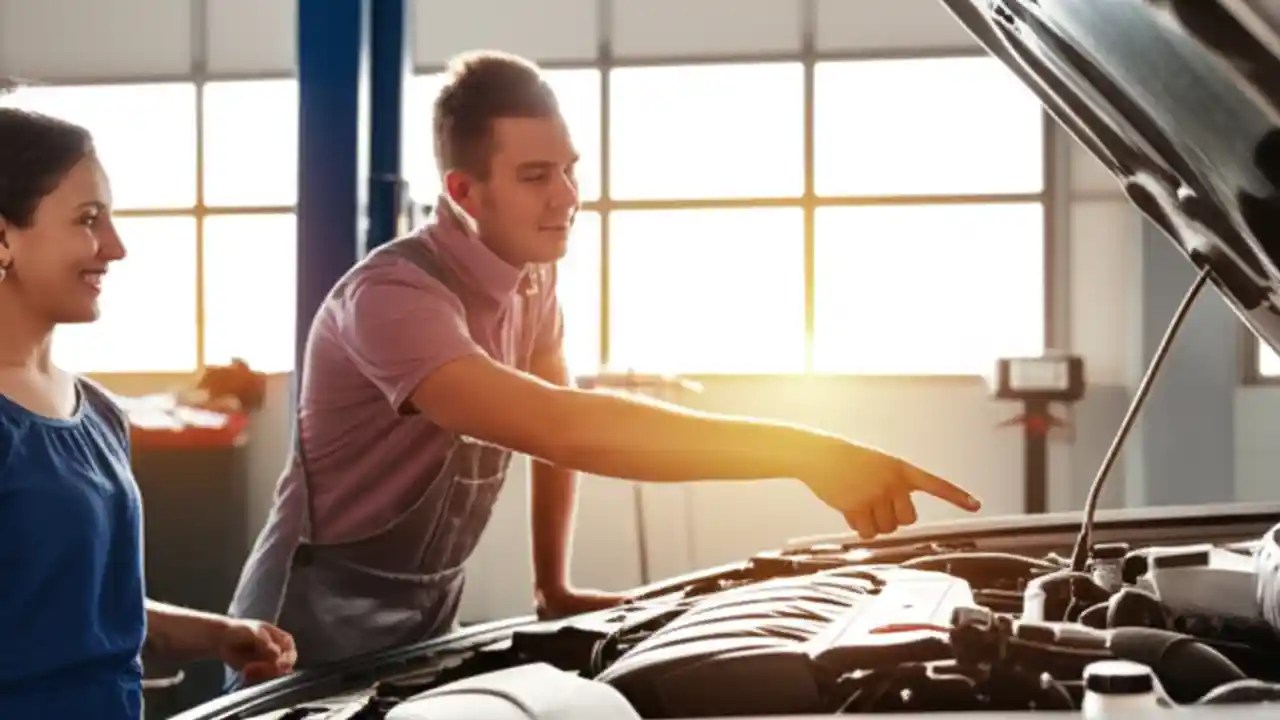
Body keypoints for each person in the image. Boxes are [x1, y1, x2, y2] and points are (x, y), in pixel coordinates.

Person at [228, 49, 982, 671]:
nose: (566, 197)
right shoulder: (393, 296)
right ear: (465, 192)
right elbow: (560, 427)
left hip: (426, 613)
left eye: (569, 169)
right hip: (300, 628)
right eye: (534, 176)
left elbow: (560, 406)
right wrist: (803, 451)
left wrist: (551, 585)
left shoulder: (532, 278)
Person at [0, 106, 297, 718]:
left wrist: (217, 636)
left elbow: (87, 609)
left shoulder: (99, 414)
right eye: (88, 221)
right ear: (4, 238)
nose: (116, 247)